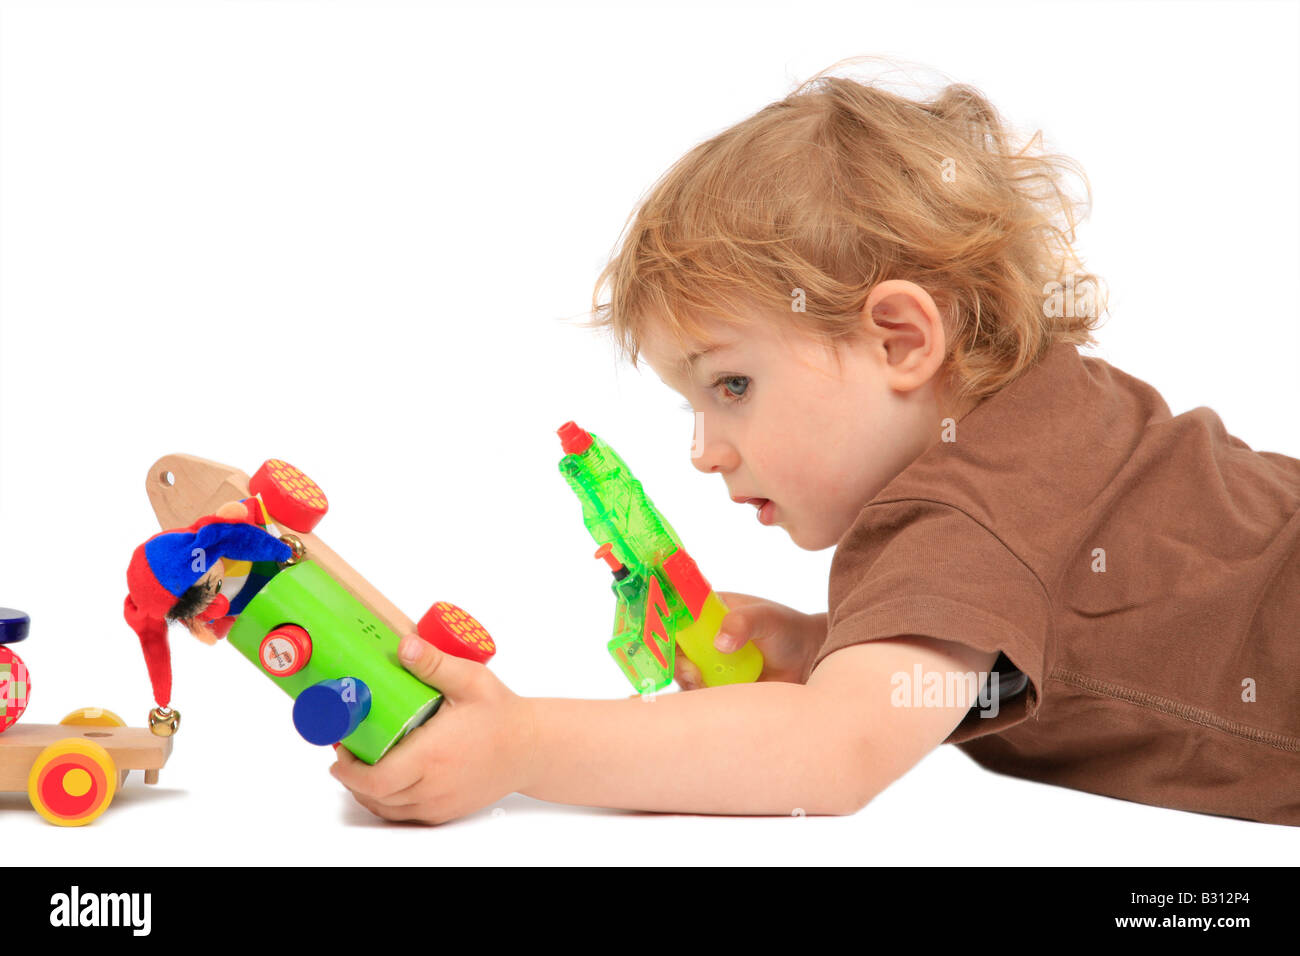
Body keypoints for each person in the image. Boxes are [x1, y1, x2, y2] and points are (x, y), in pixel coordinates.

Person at [330, 60, 1300, 826]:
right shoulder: (1049, 425)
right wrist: (826, 642)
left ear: (901, 339)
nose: (707, 450)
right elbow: (962, 654)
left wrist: (525, 744)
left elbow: (830, 751)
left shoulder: (961, 510)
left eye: (733, 386)